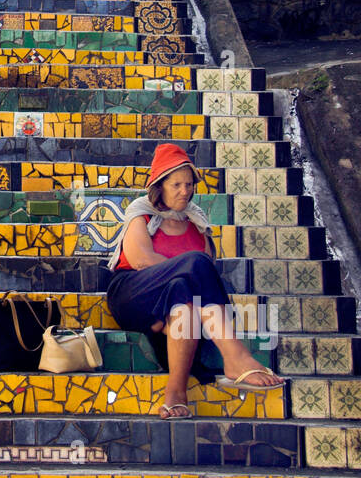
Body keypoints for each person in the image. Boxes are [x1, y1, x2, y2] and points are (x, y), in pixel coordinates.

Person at [105, 143, 285, 419]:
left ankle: (176, 393)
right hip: (133, 294)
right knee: (195, 265)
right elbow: (141, 260)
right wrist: (186, 267)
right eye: (176, 184)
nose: (184, 191)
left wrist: (185, 280)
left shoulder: (196, 221)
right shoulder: (140, 213)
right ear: (159, 186)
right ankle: (235, 355)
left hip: (175, 303)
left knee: (185, 303)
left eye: (189, 184)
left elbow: (204, 284)